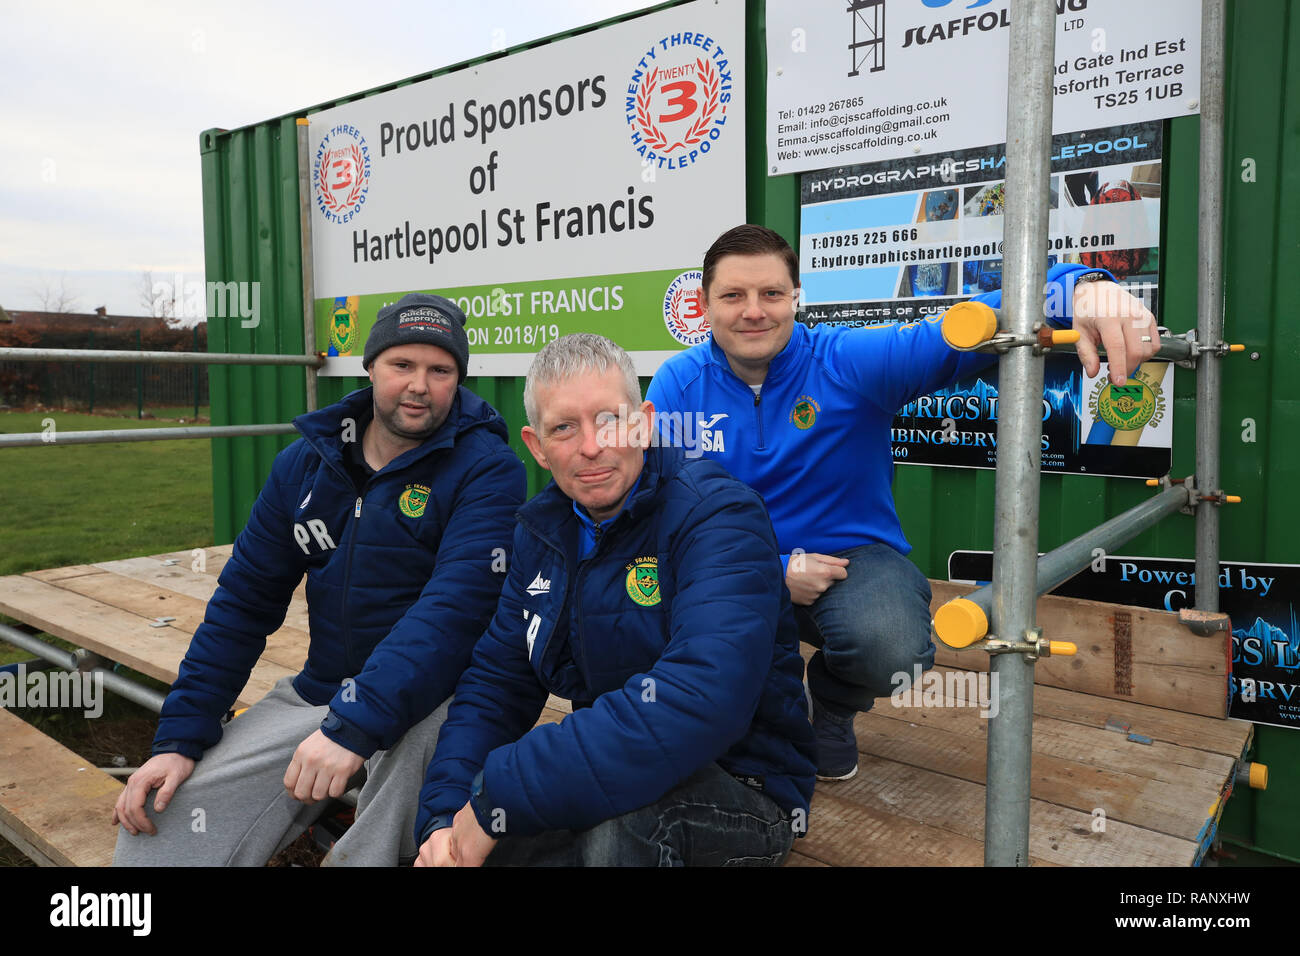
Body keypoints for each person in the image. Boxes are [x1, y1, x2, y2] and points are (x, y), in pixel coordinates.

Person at [646, 224, 1159, 781]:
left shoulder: (846, 362)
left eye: (771, 293)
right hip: (736, 563)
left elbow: (964, 331)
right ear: (704, 304)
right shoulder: (678, 384)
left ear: (796, 296)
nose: (753, 311)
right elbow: (664, 511)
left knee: (894, 648)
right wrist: (770, 570)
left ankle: (831, 707)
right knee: (643, 595)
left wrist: (1080, 288)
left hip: (849, 562)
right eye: (733, 296)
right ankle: (735, 710)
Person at [112, 293, 526, 866]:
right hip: (320, 693)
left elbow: (453, 615)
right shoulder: (305, 466)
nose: (419, 386)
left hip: (437, 699)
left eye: (440, 370)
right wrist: (181, 737)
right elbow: (243, 602)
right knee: (162, 820)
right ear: (370, 366)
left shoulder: (487, 469)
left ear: (459, 379)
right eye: (401, 365)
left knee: (381, 837)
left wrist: (352, 729)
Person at [412, 333, 816, 867]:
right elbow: (497, 683)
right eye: (564, 428)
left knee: (616, 834)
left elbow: (702, 697)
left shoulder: (718, 515)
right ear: (536, 446)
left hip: (745, 787)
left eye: (609, 420)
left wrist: (501, 792)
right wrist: (447, 815)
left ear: (644, 422)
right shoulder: (541, 532)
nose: (591, 446)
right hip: (620, 767)